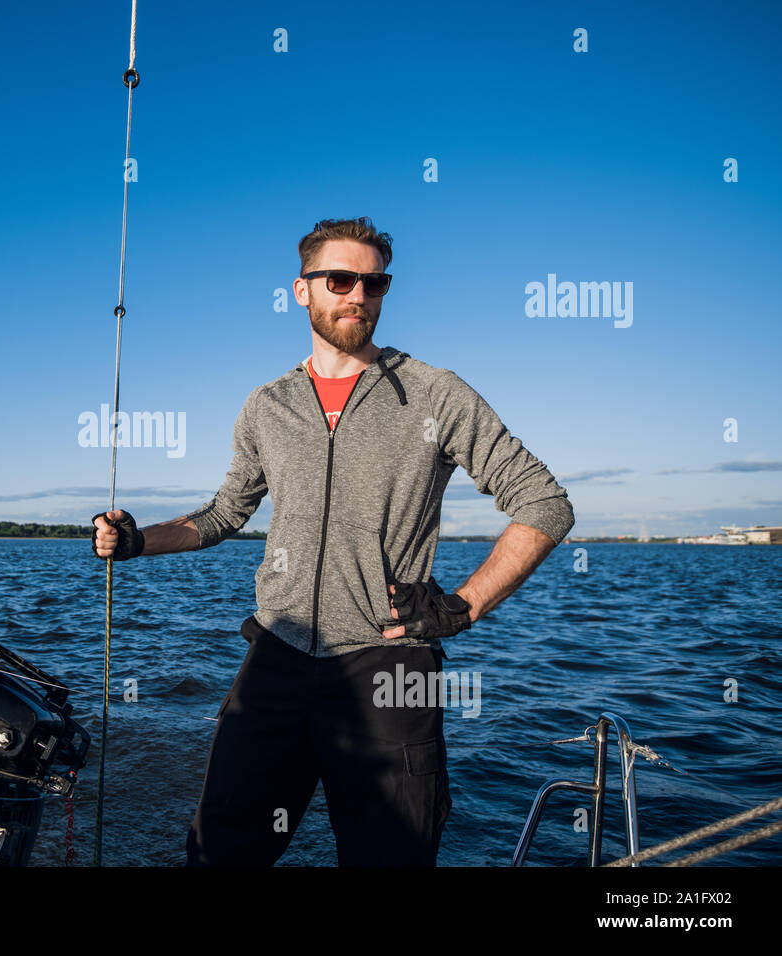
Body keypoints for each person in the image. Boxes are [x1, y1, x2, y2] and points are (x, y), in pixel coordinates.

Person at [91, 217, 574, 866]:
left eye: (375, 283)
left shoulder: (437, 394)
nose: (358, 296)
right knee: (217, 855)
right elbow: (223, 516)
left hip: (390, 666)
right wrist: (133, 542)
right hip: (278, 656)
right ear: (302, 291)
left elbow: (545, 503)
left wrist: (465, 604)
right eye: (341, 280)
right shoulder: (268, 405)